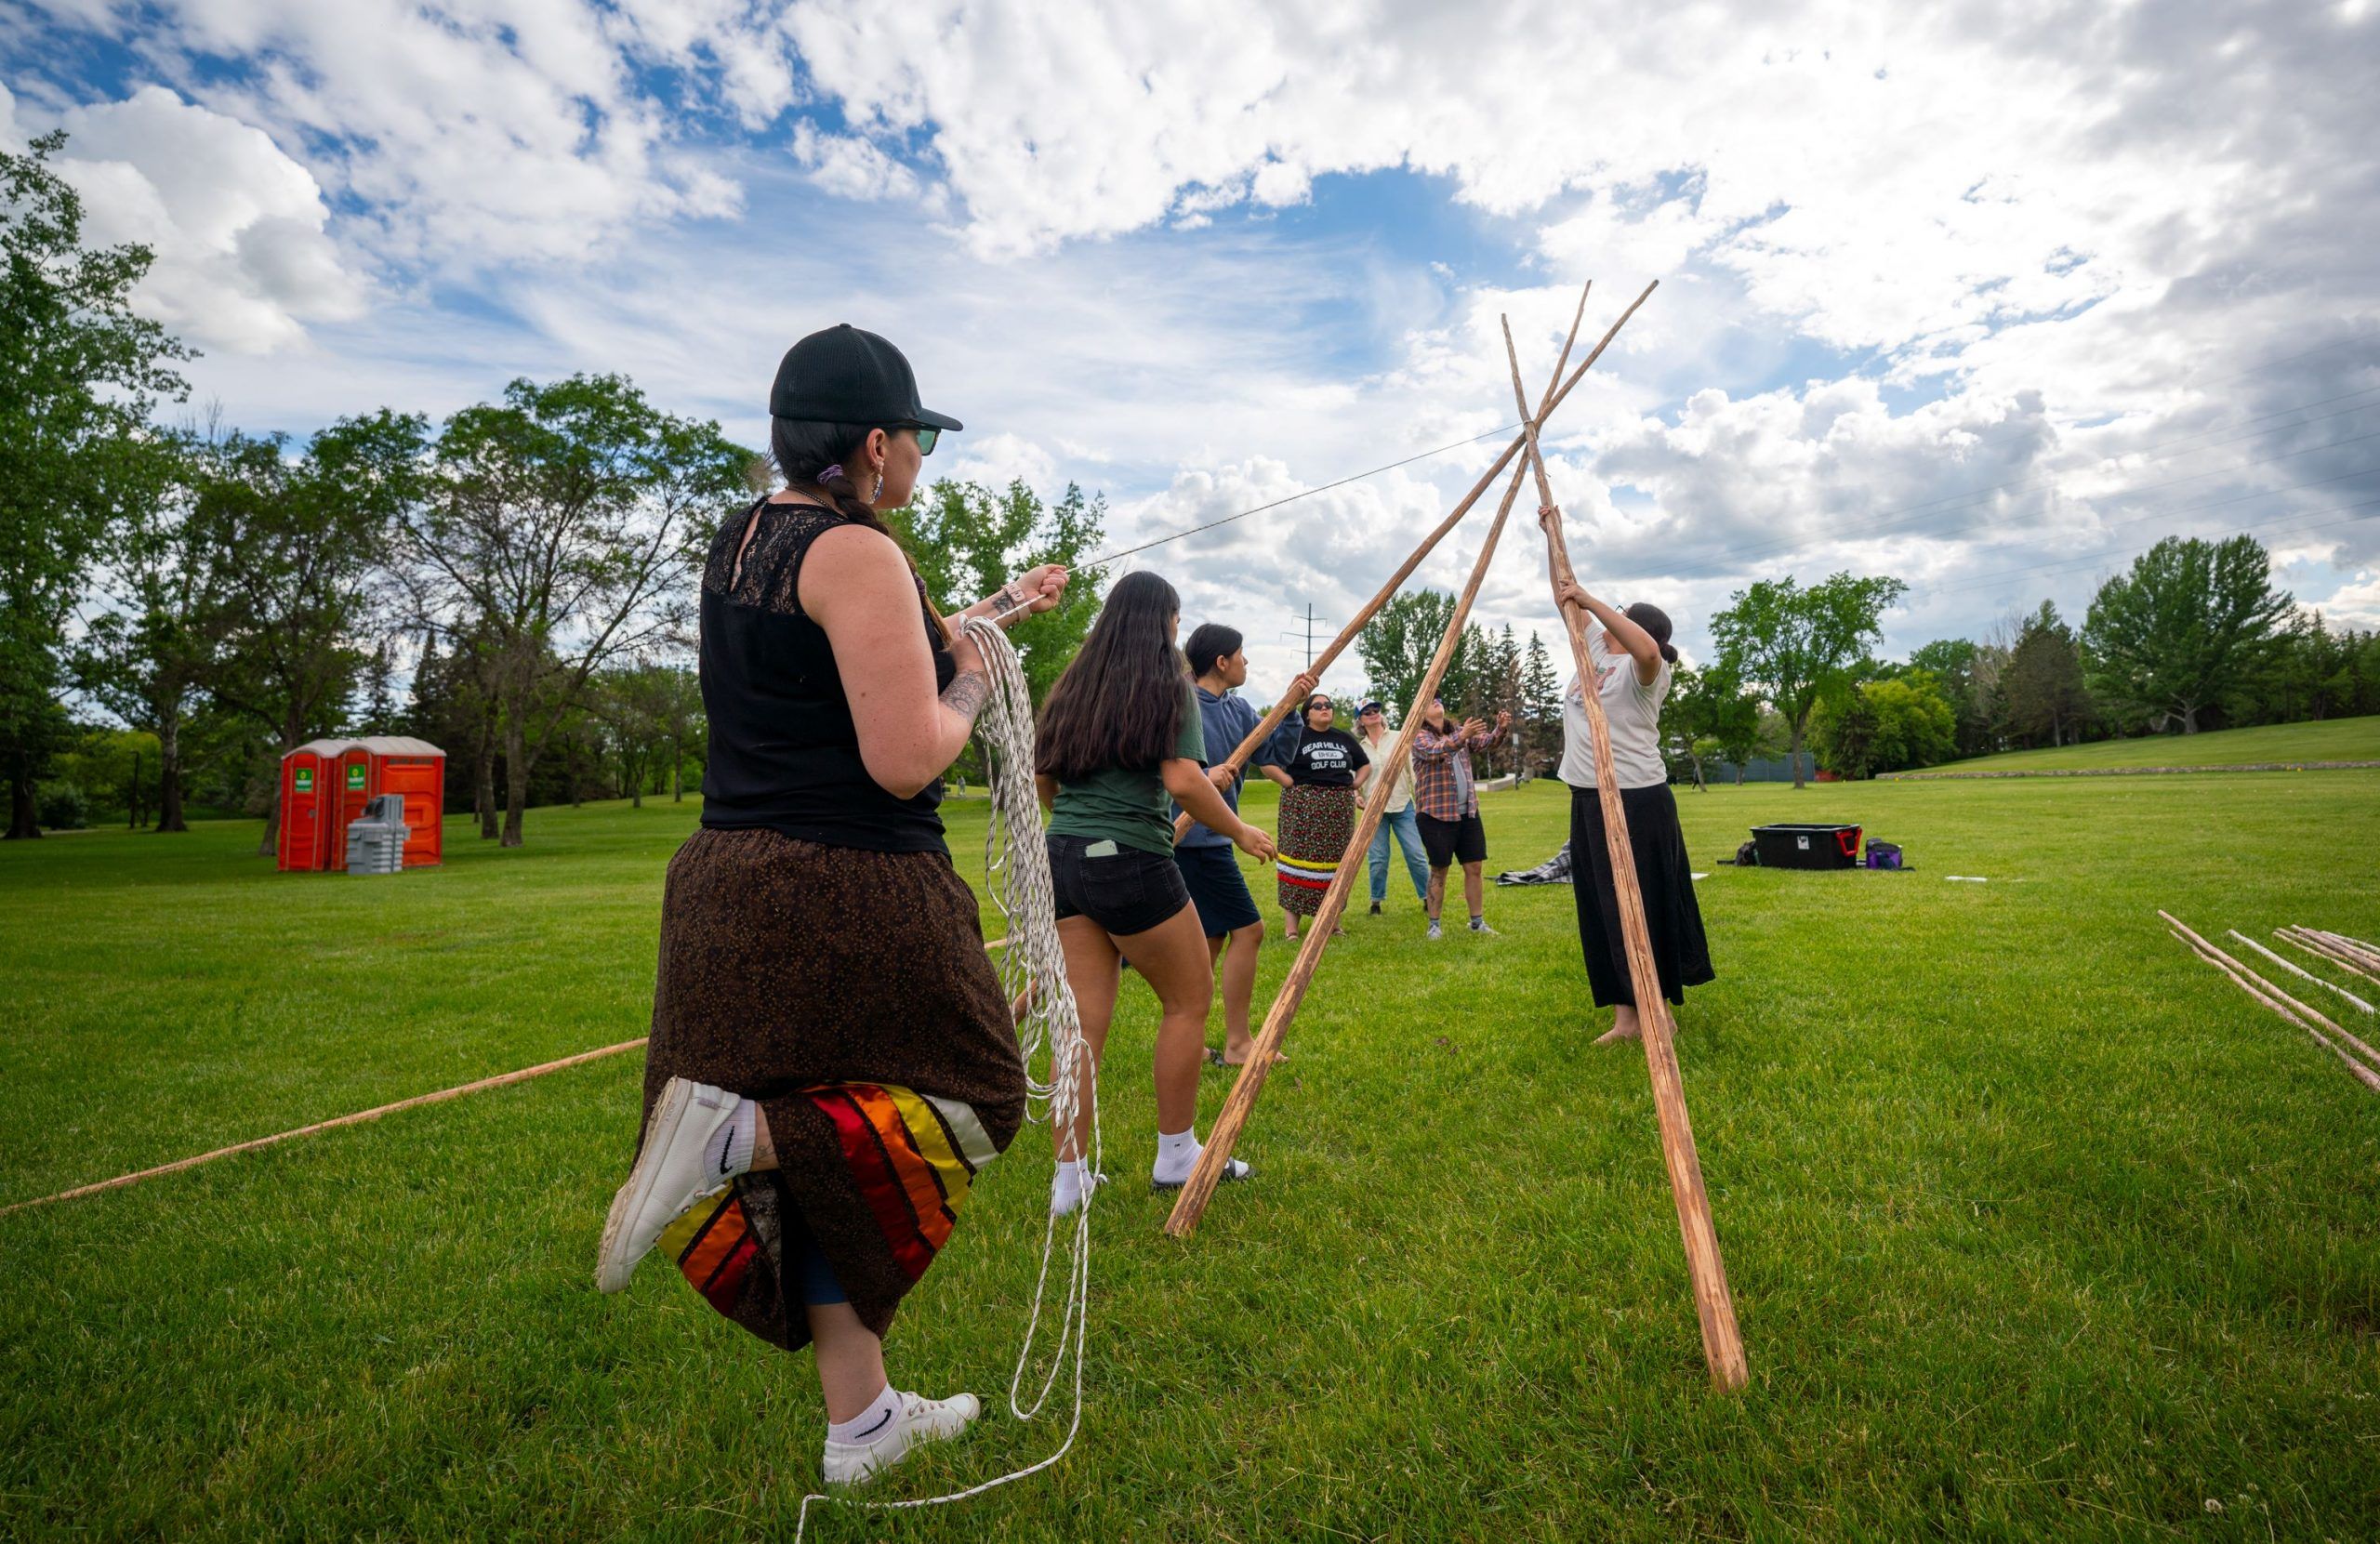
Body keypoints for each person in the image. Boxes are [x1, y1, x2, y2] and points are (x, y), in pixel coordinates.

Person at [594, 323, 1070, 1487]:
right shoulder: (861, 552)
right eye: (917, 439)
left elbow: (860, 657)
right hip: (851, 887)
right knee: (979, 1092)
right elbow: (908, 749)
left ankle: (859, 1428)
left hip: (726, 890)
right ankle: (727, 1133)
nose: (921, 459)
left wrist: (993, 611)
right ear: (871, 443)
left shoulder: (747, 537)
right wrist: (976, 675)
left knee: (832, 1153)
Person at [1035, 571, 1276, 1216]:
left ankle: (1071, 1179)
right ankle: (1177, 1155)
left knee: (1082, 1025)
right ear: (1166, 622)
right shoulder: (1166, 681)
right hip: (1131, 858)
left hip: (1064, 858)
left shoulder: (1074, 681)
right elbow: (1185, 779)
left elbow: (1043, 773)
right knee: (1188, 1000)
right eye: (1176, 620)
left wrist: (1075, 826)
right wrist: (1242, 829)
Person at [1553, 548, 1714, 1046]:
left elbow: (1645, 650)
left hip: (1637, 800)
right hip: (1588, 797)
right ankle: (1626, 1019)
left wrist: (1595, 601)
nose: (1604, 623)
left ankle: (1658, 1012)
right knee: (1604, 905)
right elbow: (1564, 597)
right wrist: (1548, 533)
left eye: (1618, 619)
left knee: (1640, 904)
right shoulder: (1594, 653)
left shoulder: (1649, 674)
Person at [1173, 623, 1316, 1067]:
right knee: (1249, 930)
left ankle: (1194, 1044)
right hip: (1187, 839)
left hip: (1214, 839)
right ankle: (1237, 1044)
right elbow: (1170, 775)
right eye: (1241, 654)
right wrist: (1206, 776)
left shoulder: (1237, 709)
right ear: (1222, 661)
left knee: (1211, 942)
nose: (1246, 662)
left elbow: (1274, 755)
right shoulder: (1180, 706)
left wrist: (1290, 710)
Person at [1270, 693, 1371, 943]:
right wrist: (1288, 781)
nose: (1325, 708)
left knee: (1335, 866)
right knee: (1297, 862)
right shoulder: (1296, 735)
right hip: (1302, 808)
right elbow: (1268, 762)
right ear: (1307, 713)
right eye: (1318, 706)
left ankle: (1331, 923)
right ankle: (1292, 928)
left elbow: (1364, 764)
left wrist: (1354, 784)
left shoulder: (1343, 737)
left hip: (1338, 811)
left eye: (1329, 705)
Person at [1411, 696, 1511, 939]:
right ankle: (1434, 925)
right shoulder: (1418, 736)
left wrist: (1501, 728)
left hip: (1468, 812)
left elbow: (1487, 743)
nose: (1436, 702)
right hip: (1435, 814)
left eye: (1438, 700)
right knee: (1439, 870)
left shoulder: (1457, 731)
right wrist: (1463, 735)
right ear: (1419, 712)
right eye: (1430, 701)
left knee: (1474, 866)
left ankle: (1477, 922)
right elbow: (1437, 751)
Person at [1355, 700, 1429, 917]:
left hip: (1402, 804)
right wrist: (1356, 796)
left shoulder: (1399, 737)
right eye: (1366, 712)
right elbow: (1355, 778)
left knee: (1415, 853)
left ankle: (1428, 898)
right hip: (1373, 811)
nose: (1372, 714)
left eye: (1375, 710)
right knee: (1378, 858)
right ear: (1360, 719)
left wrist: (1421, 799)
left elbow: (1412, 770)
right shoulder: (1360, 748)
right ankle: (1376, 902)